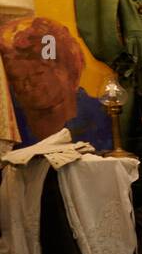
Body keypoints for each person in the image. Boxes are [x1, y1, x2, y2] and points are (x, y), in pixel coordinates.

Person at [0, 16, 112, 152]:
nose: (27, 85)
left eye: (38, 74)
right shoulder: (11, 124)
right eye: (16, 78)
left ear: (66, 69)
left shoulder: (102, 115)